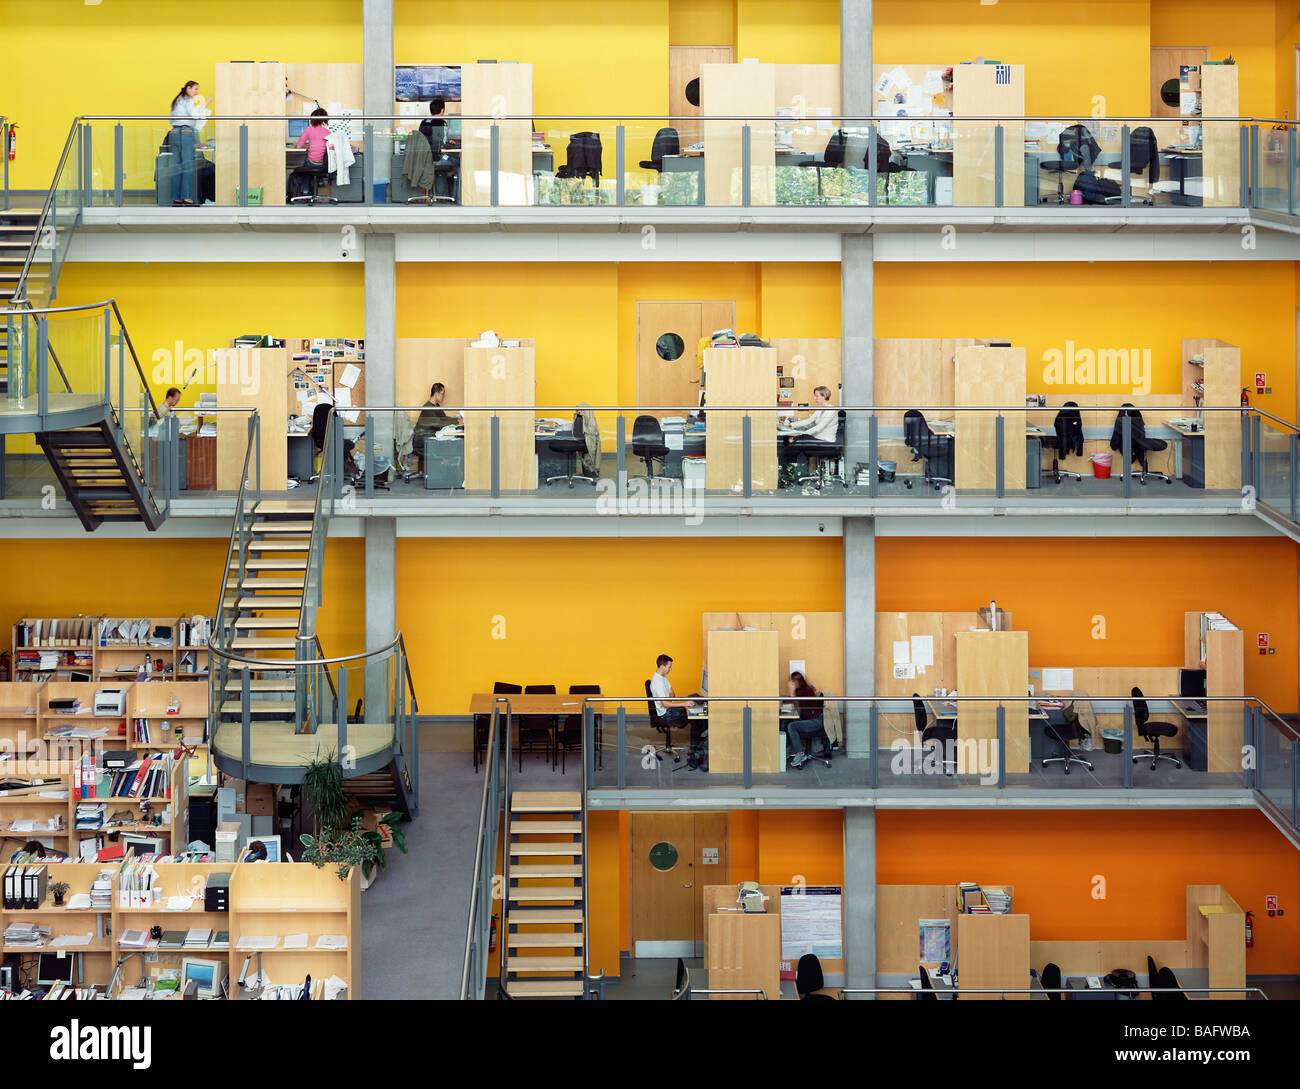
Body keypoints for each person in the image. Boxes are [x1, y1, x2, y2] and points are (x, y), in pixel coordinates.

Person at [649, 653, 705, 767]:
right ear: (662, 666)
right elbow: (665, 703)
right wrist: (683, 704)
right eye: (669, 667)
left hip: (669, 708)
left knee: (693, 709)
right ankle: (694, 751)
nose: (670, 669)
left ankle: (698, 745)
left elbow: (672, 693)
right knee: (695, 716)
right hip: (666, 715)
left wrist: (676, 703)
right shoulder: (657, 682)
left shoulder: (663, 677)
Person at [167, 81, 205, 206]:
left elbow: (170, 119)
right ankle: (186, 196)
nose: (196, 92)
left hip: (174, 134)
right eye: (195, 89)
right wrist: (204, 106)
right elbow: (195, 116)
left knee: (177, 167)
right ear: (188, 88)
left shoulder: (177, 100)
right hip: (185, 134)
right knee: (187, 166)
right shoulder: (188, 100)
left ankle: (175, 197)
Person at [418, 97, 459, 201]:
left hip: (424, 160)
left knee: (440, 170)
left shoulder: (423, 122)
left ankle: (443, 197)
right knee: (458, 163)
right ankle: (454, 198)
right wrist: (450, 142)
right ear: (442, 110)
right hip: (437, 158)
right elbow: (443, 144)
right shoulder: (442, 123)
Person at [289, 107, 331, 201]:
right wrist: (311, 145)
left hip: (312, 163)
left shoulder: (309, 129)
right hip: (324, 164)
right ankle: (319, 181)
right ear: (324, 119)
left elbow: (299, 146)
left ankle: (305, 191)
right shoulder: (328, 132)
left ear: (312, 119)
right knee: (308, 165)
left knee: (306, 163)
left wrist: (300, 145)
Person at [785, 671, 825, 769]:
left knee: (791, 726)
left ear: (800, 681)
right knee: (785, 723)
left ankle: (800, 754)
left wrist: (792, 693)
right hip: (809, 719)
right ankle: (790, 750)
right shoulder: (800, 691)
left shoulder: (807, 691)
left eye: (794, 681)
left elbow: (797, 706)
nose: (792, 683)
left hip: (815, 722)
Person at [411, 383, 461, 457]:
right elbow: (439, 423)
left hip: (429, 437)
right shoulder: (428, 408)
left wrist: (457, 419)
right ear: (436, 393)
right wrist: (456, 421)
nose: (443, 396)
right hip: (422, 440)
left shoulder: (436, 406)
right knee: (448, 446)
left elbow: (444, 418)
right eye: (442, 394)